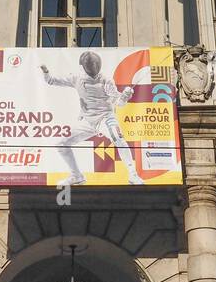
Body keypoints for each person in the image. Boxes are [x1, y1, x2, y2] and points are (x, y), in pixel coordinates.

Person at [40, 51, 141, 186]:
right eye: (90, 65)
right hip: (87, 121)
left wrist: (125, 96)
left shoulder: (106, 80)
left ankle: (133, 176)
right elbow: (51, 80)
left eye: (95, 65)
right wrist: (45, 71)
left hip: (105, 118)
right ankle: (77, 176)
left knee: (119, 139)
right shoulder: (76, 78)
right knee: (61, 143)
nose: (93, 68)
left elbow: (119, 103)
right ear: (83, 66)